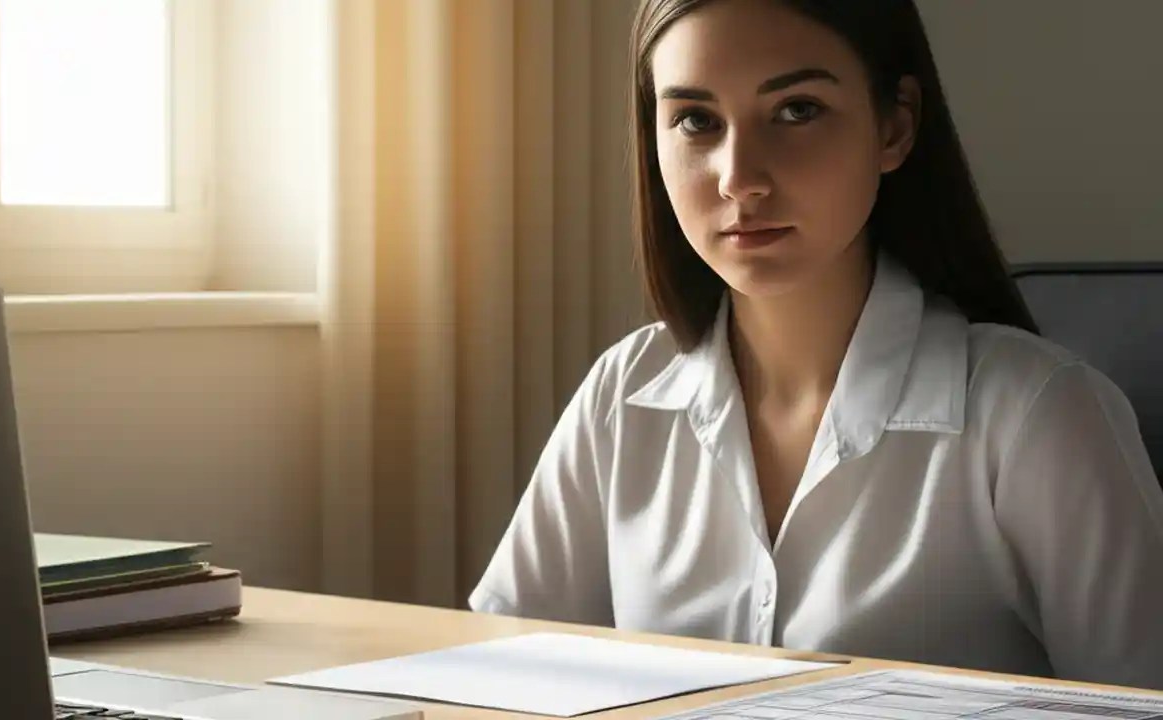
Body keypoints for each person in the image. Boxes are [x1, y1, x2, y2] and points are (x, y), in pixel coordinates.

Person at [469, 0, 1163, 690]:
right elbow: (498, 672)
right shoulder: (621, 397)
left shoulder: (1038, 415)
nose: (739, 177)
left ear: (894, 126)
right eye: (696, 121)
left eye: (797, 110)